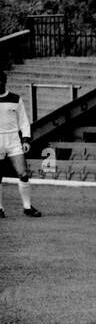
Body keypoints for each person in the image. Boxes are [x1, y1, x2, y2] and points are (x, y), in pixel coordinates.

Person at [0, 71, 40, 217]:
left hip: (13, 141)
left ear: (5, 81)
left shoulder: (15, 99)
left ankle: (27, 207)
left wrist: (26, 139)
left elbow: (23, 121)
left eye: (0, 81)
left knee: (23, 173)